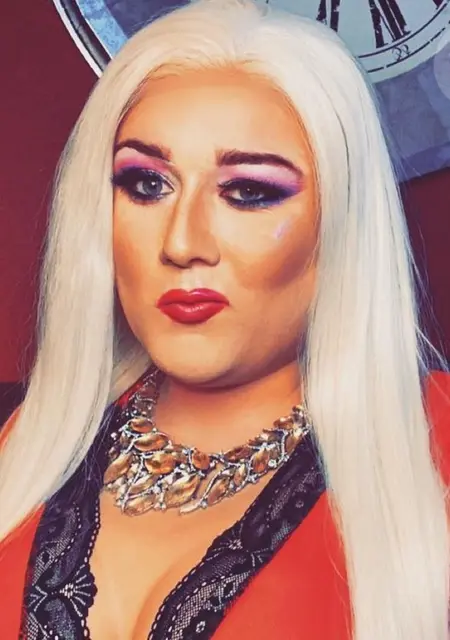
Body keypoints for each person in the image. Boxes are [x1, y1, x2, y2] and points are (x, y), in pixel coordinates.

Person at [0, 0, 449, 638]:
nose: (182, 242)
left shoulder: (432, 450)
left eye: (248, 192)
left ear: (339, 222)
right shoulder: (25, 441)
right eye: (147, 185)